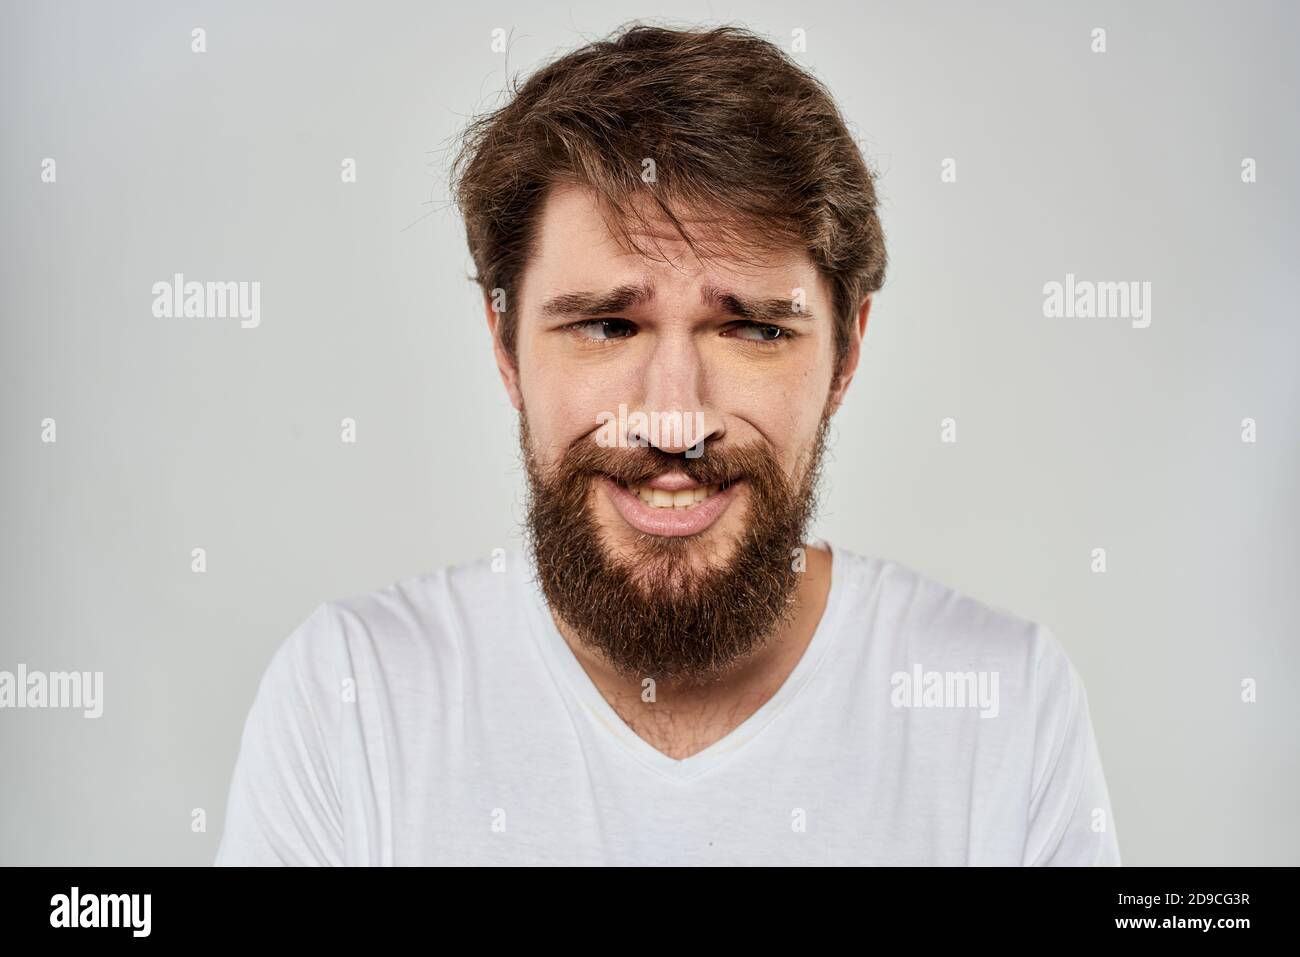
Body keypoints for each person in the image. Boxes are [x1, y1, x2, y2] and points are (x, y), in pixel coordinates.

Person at [215, 23, 1120, 866]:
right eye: (608, 326)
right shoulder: (350, 698)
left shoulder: (1004, 703)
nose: (674, 420)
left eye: (755, 330)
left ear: (846, 351)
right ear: (505, 350)